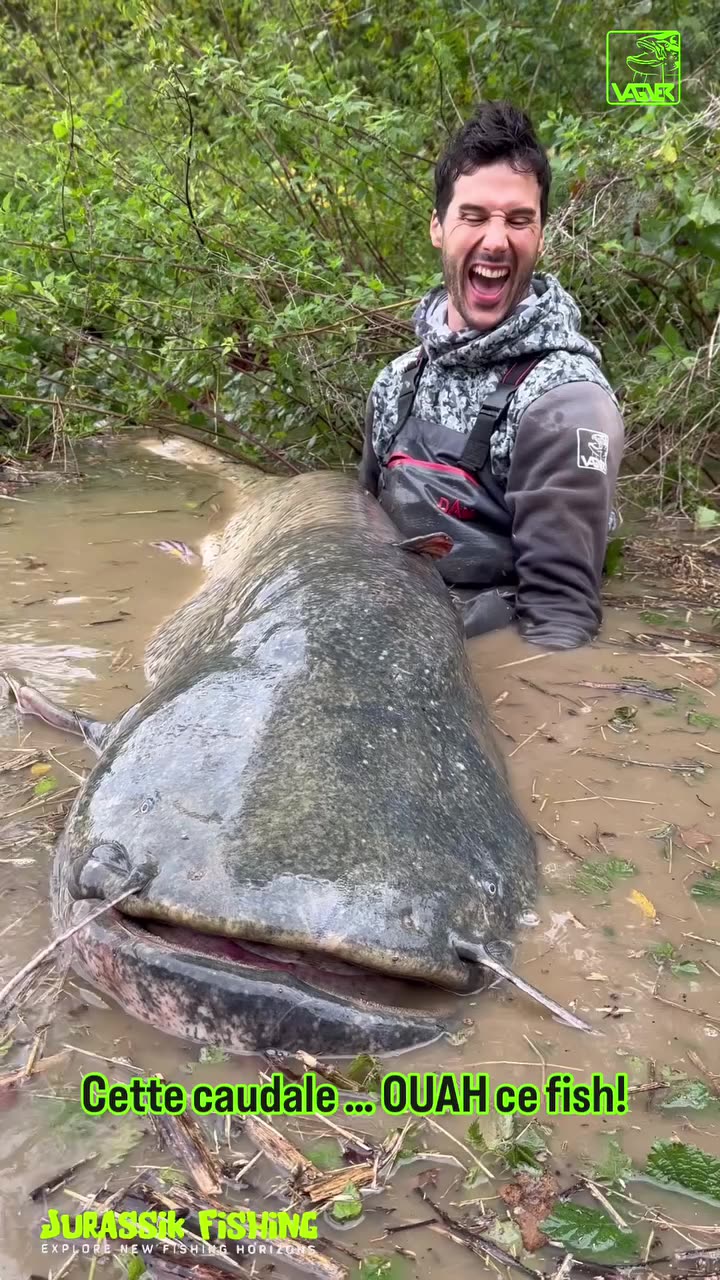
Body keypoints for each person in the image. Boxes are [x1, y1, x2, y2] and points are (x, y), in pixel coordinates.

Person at [359, 101, 624, 650]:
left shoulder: (567, 405)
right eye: (474, 216)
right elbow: (357, 547)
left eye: (519, 220)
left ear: (541, 235)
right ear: (438, 227)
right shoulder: (395, 383)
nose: (496, 240)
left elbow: (559, 630)